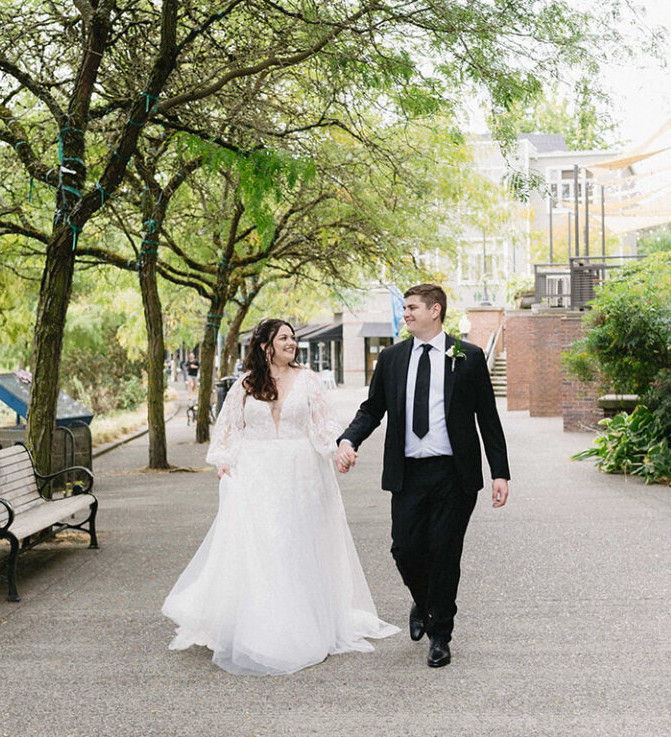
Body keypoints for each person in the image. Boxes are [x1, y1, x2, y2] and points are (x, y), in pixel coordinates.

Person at [163, 318, 399, 675]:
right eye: (284, 338)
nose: (291, 343)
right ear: (265, 345)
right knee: (264, 548)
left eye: (293, 338)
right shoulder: (244, 386)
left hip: (300, 475)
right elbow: (227, 430)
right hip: (256, 475)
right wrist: (224, 463)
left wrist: (338, 451)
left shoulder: (308, 380)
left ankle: (299, 621)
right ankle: (260, 623)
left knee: (294, 547)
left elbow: (324, 427)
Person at [336, 283, 510, 669]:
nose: (406, 314)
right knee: (406, 549)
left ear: (435, 310)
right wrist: (349, 440)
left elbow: (488, 419)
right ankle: (424, 600)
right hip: (408, 473)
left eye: (412, 307)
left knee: (445, 551)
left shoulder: (468, 356)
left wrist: (500, 472)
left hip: (454, 472)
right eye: (405, 308)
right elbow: (372, 409)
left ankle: (440, 634)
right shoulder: (393, 359)